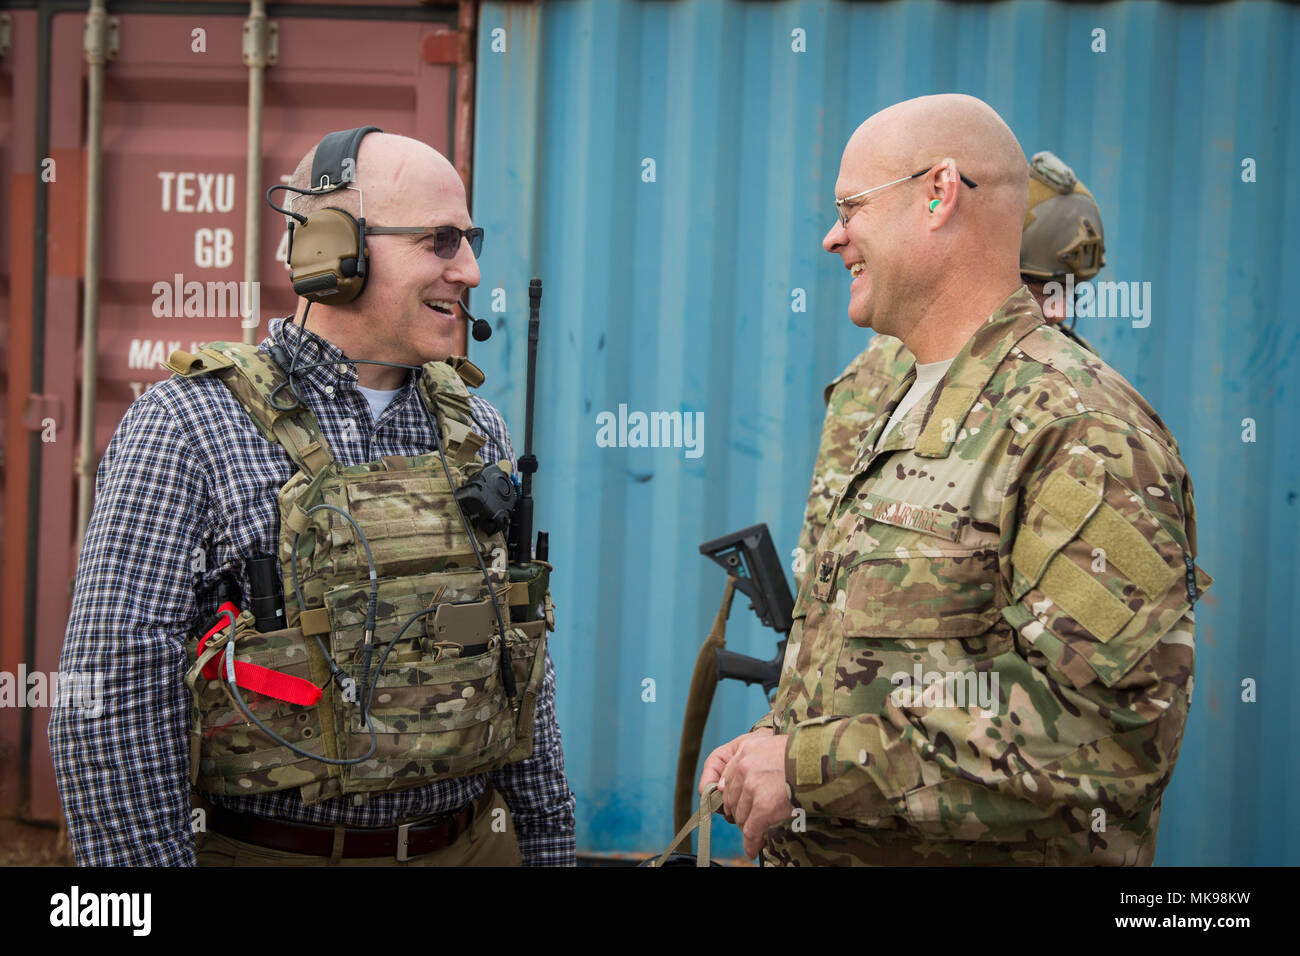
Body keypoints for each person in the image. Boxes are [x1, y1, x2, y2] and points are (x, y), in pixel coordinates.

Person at [702, 94, 1210, 866]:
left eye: (850, 207)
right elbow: (861, 650)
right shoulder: (882, 394)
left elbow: (1108, 737)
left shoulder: (1083, 433)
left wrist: (810, 768)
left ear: (938, 194)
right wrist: (776, 744)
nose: (833, 235)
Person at [50, 130, 577, 866]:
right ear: (336, 250)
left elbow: (522, 669)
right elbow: (113, 696)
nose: (471, 269)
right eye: (441, 240)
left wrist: (550, 848)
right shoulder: (189, 426)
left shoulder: (475, 427)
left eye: (470, 239)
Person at [794, 150, 1108, 591]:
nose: (1057, 311)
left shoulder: (1079, 394)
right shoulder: (887, 374)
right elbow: (824, 546)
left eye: (1070, 292)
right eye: (1039, 288)